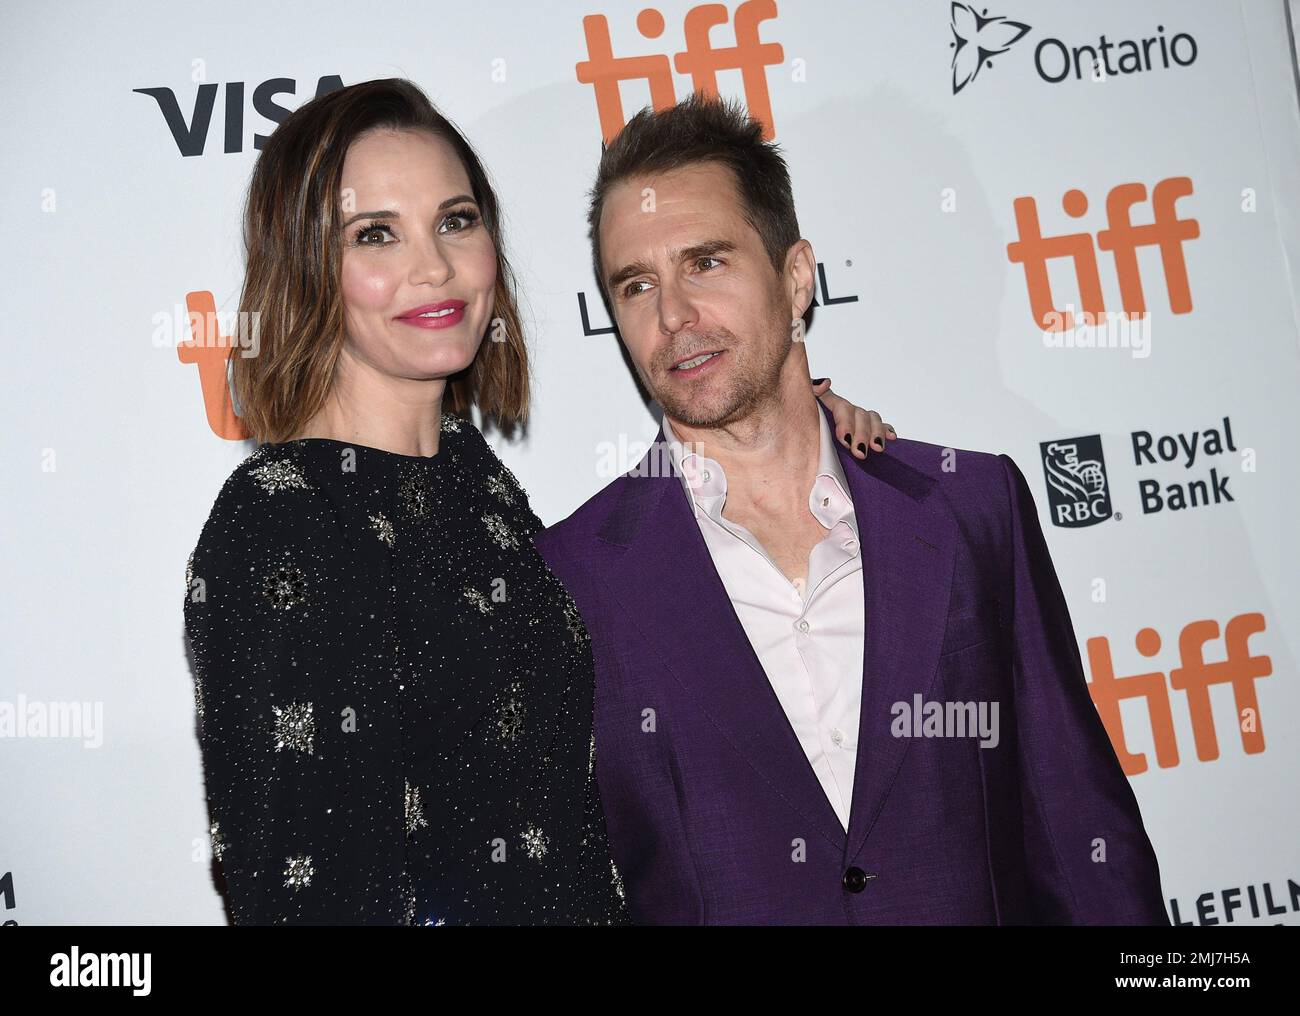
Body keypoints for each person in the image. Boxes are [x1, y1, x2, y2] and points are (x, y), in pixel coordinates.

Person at [183, 78, 892, 925]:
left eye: (455, 220)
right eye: (376, 235)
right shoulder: (278, 524)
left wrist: (798, 423)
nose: (434, 266)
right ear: (306, 266)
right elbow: (301, 891)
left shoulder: (475, 483)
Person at [534, 92, 1170, 925]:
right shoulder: (572, 579)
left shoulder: (972, 512)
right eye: (637, 284)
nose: (675, 315)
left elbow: (1080, 837)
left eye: (707, 263)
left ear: (796, 277)